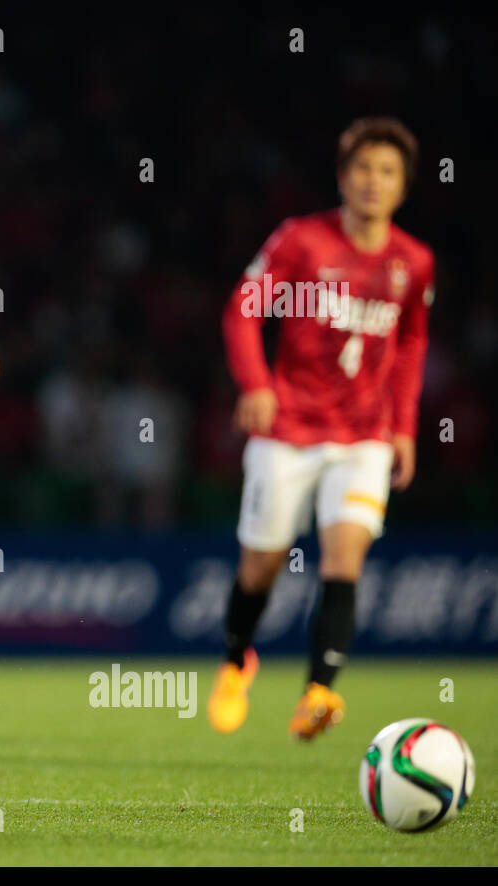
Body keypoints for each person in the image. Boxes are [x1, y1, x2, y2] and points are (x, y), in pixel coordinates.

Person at [210, 117, 434, 740]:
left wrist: (405, 427)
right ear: (342, 177)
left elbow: (412, 345)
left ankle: (317, 693)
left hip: (363, 437)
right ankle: (236, 661)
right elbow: (243, 309)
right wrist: (256, 383)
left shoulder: (414, 262)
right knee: (262, 564)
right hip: (288, 430)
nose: (373, 182)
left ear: (404, 186)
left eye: (387, 172)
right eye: (363, 168)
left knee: (345, 556)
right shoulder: (301, 242)